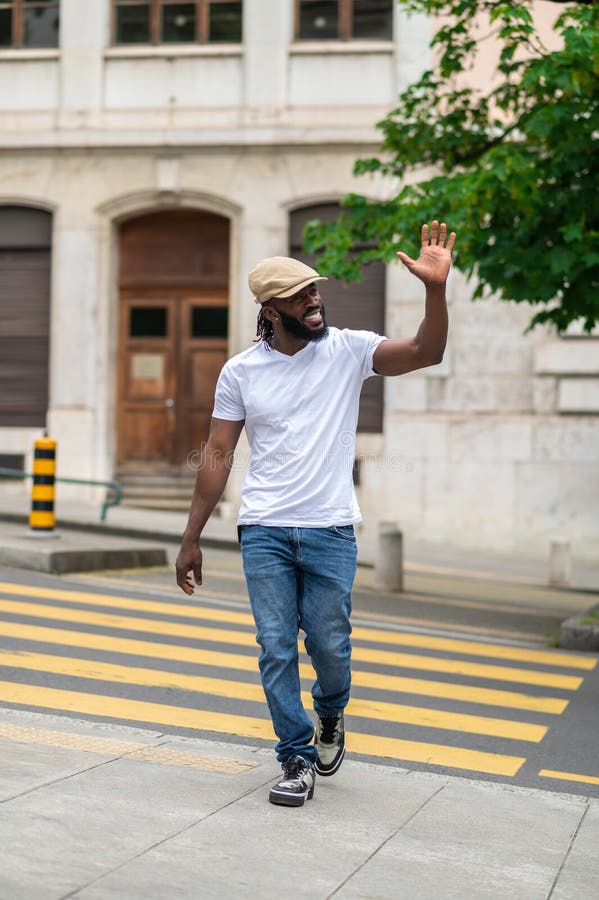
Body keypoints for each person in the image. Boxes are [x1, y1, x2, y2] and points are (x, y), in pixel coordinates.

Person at [176, 220, 456, 807]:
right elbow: (218, 454)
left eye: (315, 292)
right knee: (275, 646)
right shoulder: (241, 372)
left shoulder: (349, 350)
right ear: (271, 309)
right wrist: (192, 536)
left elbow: (427, 351)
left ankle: (331, 715)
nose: (315, 301)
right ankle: (295, 756)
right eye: (301, 296)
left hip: (330, 528)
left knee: (329, 646)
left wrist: (435, 290)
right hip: (265, 530)